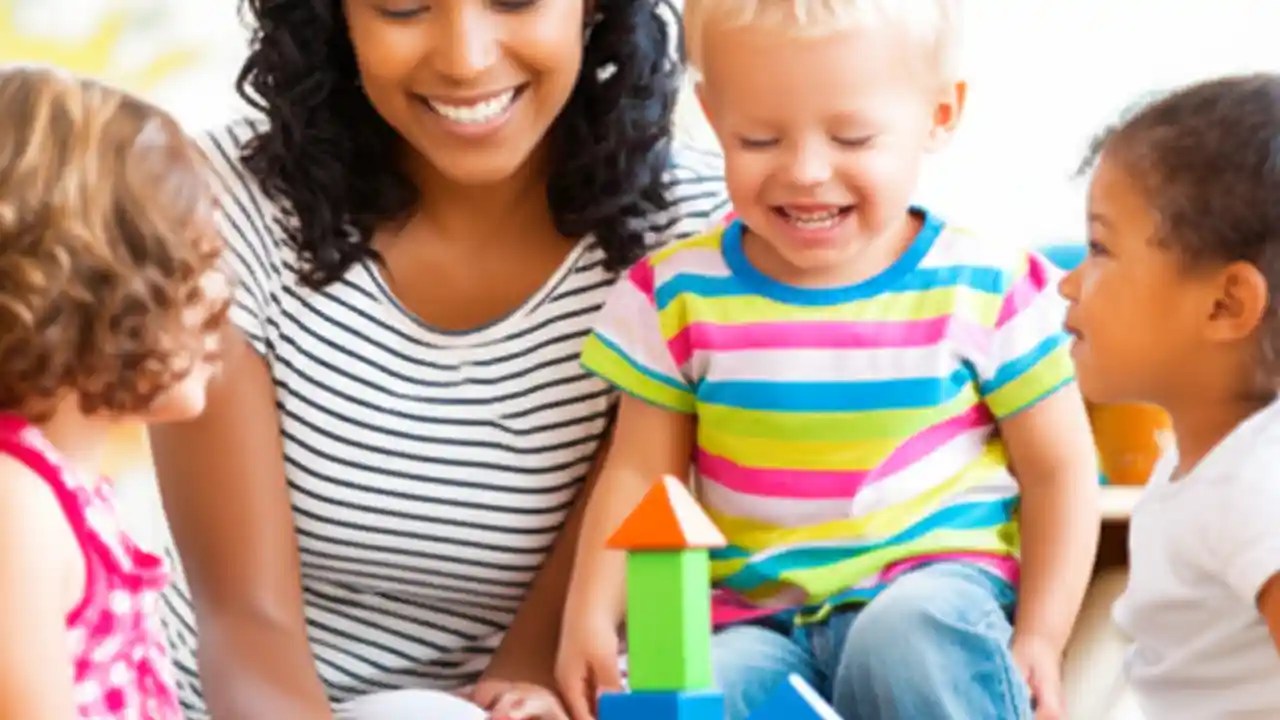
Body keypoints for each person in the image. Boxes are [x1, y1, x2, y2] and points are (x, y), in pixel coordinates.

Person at [148, 0, 729, 718]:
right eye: (403, 6)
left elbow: (555, 654)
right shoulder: (216, 206)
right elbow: (243, 620)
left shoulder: (702, 245)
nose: (466, 58)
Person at [555, 1, 1102, 719]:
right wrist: (589, 616)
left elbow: (1059, 471)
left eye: (852, 137)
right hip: (750, 622)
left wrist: (1040, 635)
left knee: (902, 637)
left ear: (940, 114)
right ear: (715, 119)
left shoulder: (989, 283)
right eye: (759, 139)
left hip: (929, 593)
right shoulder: (674, 295)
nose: (807, 171)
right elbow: (640, 475)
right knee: (701, 688)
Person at [0, 66, 227, 719]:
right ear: (86, 289)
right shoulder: (17, 506)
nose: (220, 296)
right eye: (194, 267)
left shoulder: (60, 489)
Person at [1061, 73, 1280, 719]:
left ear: (1226, 303)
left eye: (1100, 248)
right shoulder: (1206, 463)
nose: (1070, 284)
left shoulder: (1254, 486)